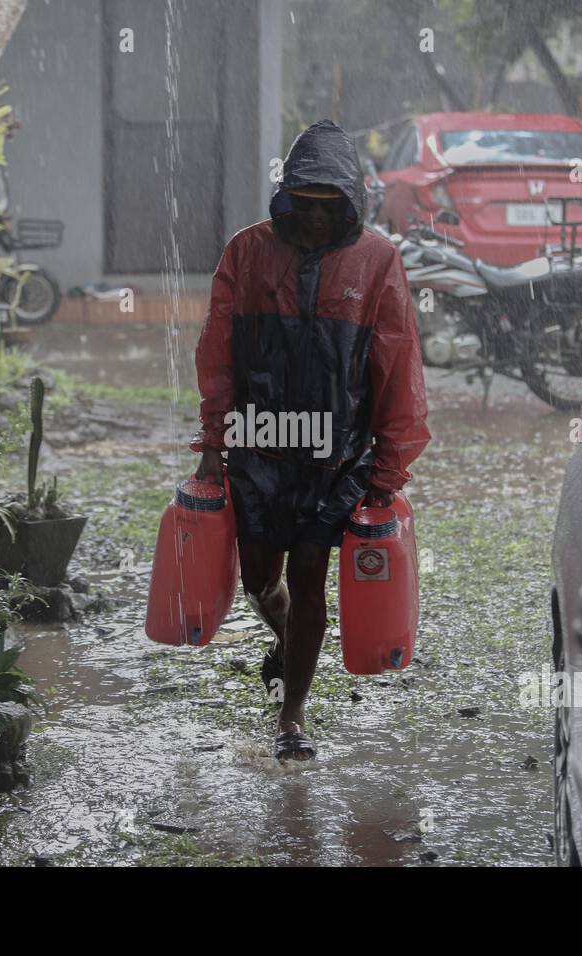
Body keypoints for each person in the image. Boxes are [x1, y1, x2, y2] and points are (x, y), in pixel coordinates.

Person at [190, 119, 430, 761]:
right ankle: (288, 636)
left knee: (310, 573)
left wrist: (388, 464)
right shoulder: (246, 252)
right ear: (286, 198)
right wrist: (215, 440)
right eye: (306, 204)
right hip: (257, 445)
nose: (317, 219)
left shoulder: (378, 262)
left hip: (336, 454)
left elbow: (397, 364)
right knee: (260, 577)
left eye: (332, 207)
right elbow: (218, 350)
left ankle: (292, 717)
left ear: (350, 205)